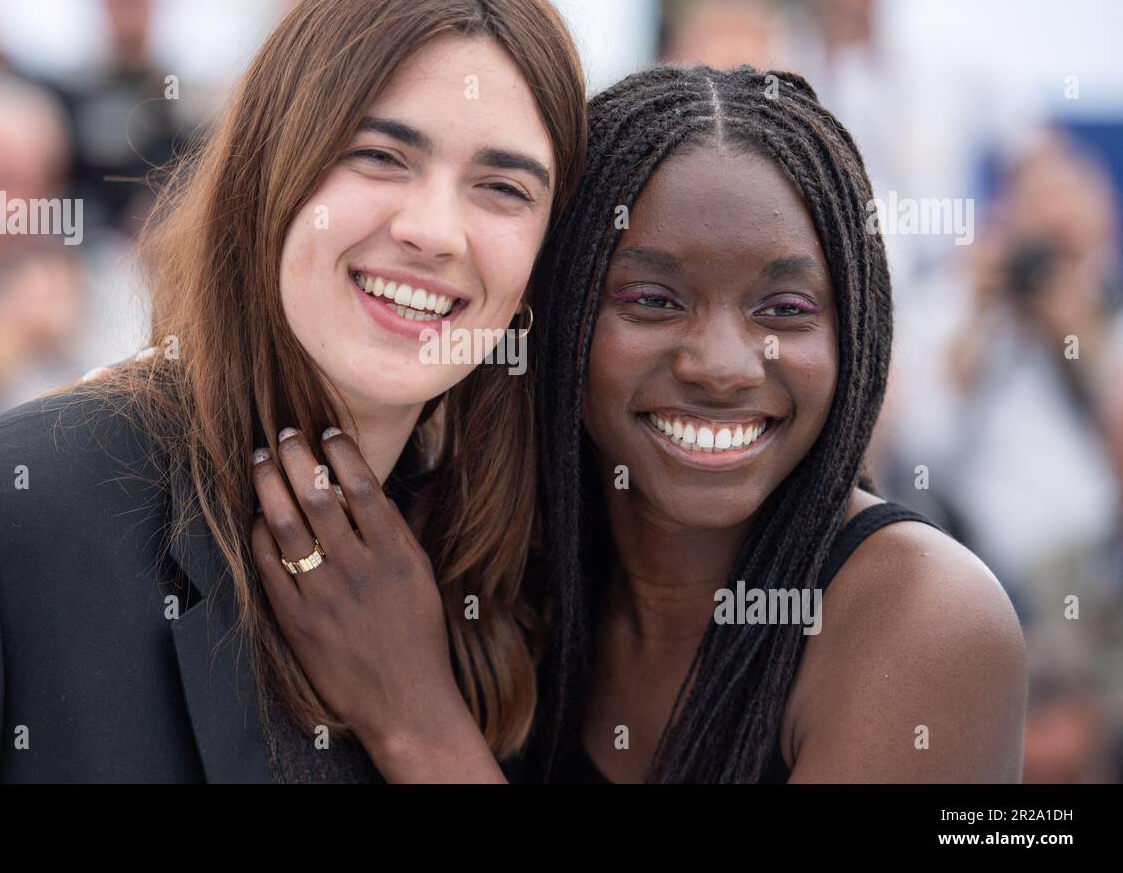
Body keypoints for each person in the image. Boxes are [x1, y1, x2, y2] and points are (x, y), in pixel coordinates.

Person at [0, 0, 585, 783]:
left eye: (505, 188)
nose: (434, 231)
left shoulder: (530, 576)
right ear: (269, 172)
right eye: (379, 156)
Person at [261, 64, 1028, 783]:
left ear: (856, 332)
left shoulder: (927, 620)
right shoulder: (489, 569)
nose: (724, 366)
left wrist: (413, 717)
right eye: (653, 301)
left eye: (785, 310)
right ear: (558, 315)